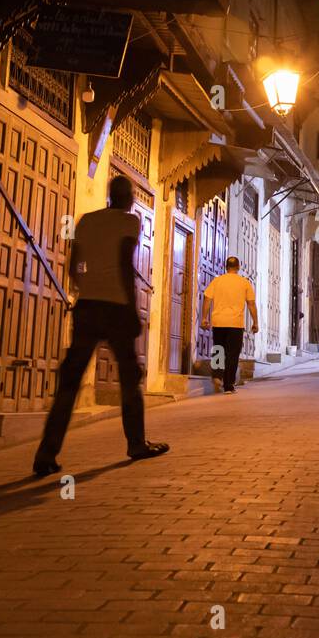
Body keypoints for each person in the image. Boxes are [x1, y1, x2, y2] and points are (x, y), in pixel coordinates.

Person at [33, 175, 167, 477]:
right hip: (116, 307)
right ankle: (136, 444)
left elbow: (75, 265)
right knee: (130, 378)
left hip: (88, 307)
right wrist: (131, 310)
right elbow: (124, 265)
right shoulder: (130, 222)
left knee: (69, 382)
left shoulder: (86, 221)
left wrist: (87, 288)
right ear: (128, 198)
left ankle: (46, 453)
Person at [200, 256, 258, 394]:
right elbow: (251, 304)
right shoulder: (244, 283)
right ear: (238, 267)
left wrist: (203, 318)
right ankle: (228, 385)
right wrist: (255, 322)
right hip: (235, 323)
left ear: (226, 267)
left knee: (218, 349)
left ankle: (217, 375)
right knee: (232, 354)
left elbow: (207, 299)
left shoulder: (217, 281)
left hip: (219, 321)